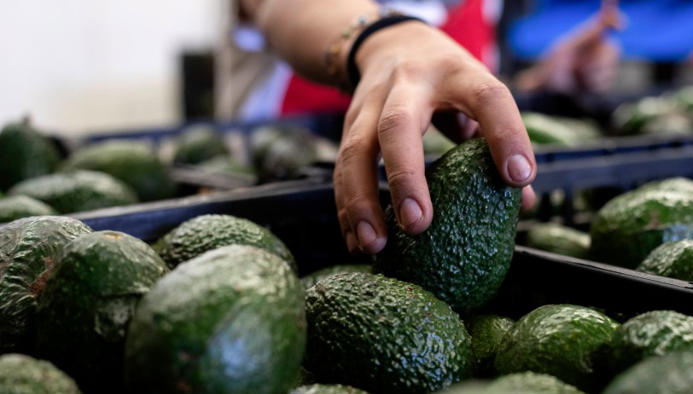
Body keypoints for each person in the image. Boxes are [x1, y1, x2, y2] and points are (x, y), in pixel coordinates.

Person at [221, 0, 620, 254]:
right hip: (273, 194)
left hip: (419, 218)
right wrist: (379, 40)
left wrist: (543, 84)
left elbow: (453, 108)